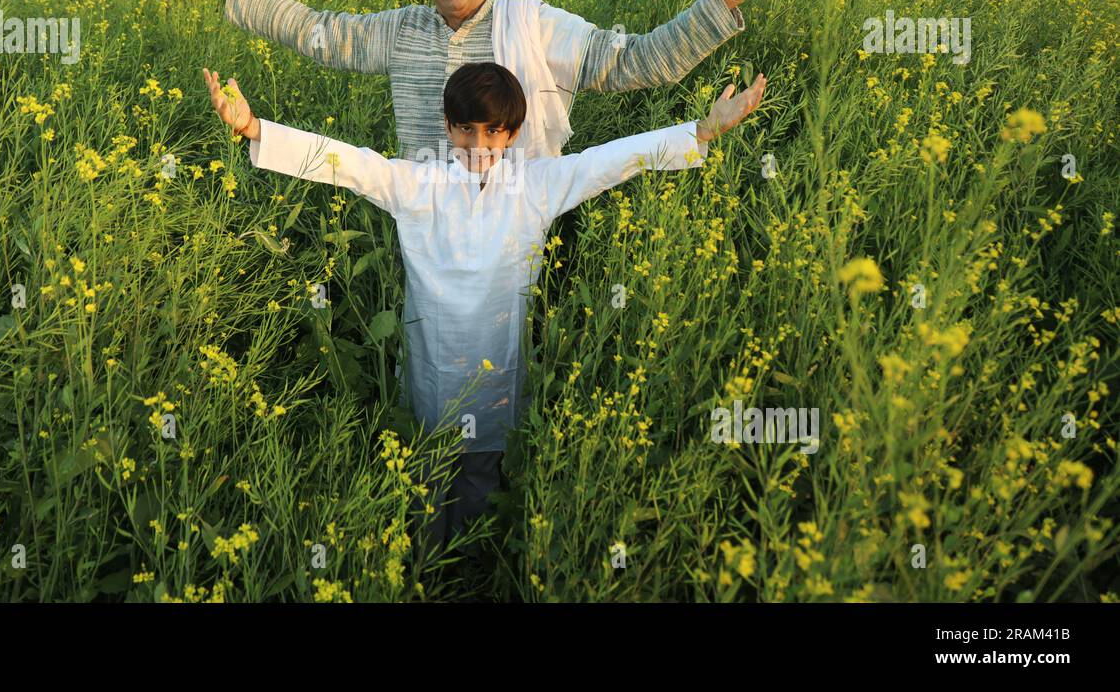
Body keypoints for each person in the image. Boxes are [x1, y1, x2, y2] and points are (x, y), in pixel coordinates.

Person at [201, 60, 767, 561]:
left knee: (482, 470)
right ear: (448, 128)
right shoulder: (415, 182)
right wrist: (253, 128)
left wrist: (705, 129)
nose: (479, 142)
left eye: (494, 130)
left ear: (514, 133)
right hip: (432, 363)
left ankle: (467, 567)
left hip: (499, 360)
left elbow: (610, 161)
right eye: (467, 128)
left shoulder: (537, 184)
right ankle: (421, 568)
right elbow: (347, 163)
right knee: (424, 471)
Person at [163, 0, 782, 162]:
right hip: (426, 208)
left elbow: (637, 61)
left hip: (521, 211)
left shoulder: (533, 25)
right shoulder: (401, 31)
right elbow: (318, 33)